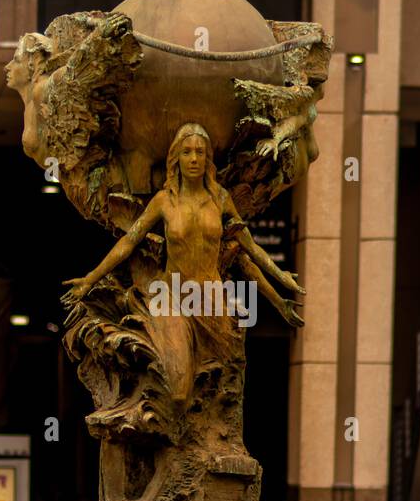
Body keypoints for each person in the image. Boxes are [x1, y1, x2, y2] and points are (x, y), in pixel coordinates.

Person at [62, 122, 304, 407]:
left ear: (207, 158)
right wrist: (90, 278)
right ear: (176, 157)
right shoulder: (164, 201)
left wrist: (280, 283)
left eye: (200, 153)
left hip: (212, 299)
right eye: (187, 152)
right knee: (179, 390)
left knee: (226, 383)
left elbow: (250, 249)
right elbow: (129, 241)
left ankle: (205, 443)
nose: (193, 159)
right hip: (174, 297)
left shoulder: (221, 200)